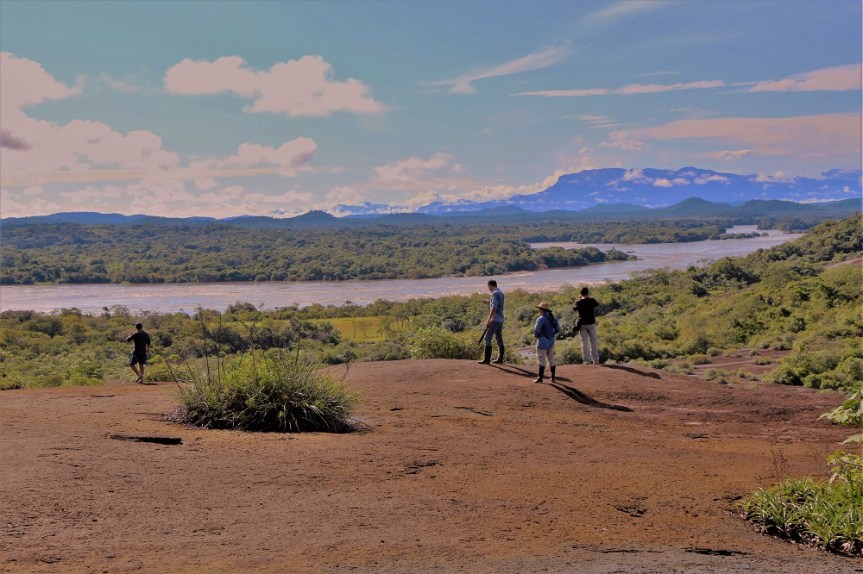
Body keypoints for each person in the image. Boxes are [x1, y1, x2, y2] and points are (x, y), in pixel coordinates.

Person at [532, 301, 561, 383]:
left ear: (541, 310)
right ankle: (552, 377)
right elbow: (558, 329)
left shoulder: (541, 319)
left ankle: (540, 378)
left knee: (541, 359)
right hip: (551, 342)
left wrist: (538, 336)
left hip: (542, 342)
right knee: (551, 359)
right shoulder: (553, 318)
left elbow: (536, 330)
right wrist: (551, 334)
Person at [478, 279, 505, 364]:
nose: (488, 288)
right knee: (499, 338)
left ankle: (487, 360)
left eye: (488, 286)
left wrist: (489, 319)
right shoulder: (500, 293)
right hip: (500, 318)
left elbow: (494, 308)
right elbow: (496, 303)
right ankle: (500, 359)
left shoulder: (494, 294)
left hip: (495, 319)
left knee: (487, 337)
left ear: (491, 285)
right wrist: (487, 301)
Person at [573, 287, 600, 364]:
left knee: (584, 342)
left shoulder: (579, 302)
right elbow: (596, 304)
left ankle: (586, 360)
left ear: (581, 293)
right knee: (594, 341)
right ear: (587, 293)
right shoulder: (592, 300)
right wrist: (588, 297)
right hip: (591, 323)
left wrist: (579, 298)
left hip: (582, 324)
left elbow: (574, 308)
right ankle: (596, 360)